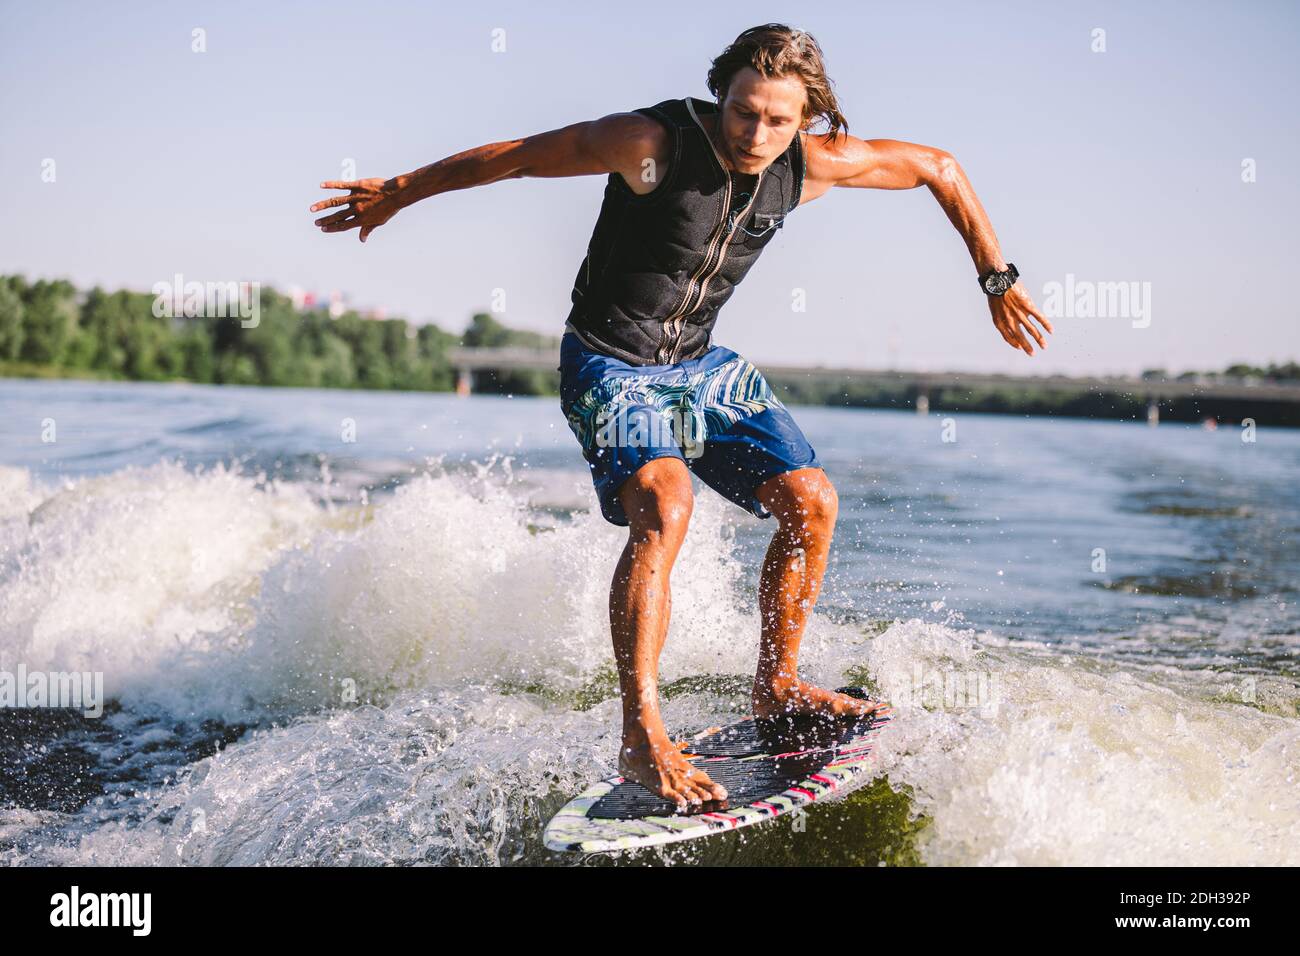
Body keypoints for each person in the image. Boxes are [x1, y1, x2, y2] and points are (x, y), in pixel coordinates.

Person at [310, 23, 1053, 812]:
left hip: (700, 367)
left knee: (813, 502)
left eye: (778, 120)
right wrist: (401, 191)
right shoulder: (647, 142)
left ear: (808, 118)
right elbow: (524, 153)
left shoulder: (813, 164)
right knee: (667, 503)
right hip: (608, 360)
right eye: (742, 112)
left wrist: (995, 277)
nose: (756, 134)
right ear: (720, 95)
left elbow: (939, 167)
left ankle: (777, 684)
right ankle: (641, 736)